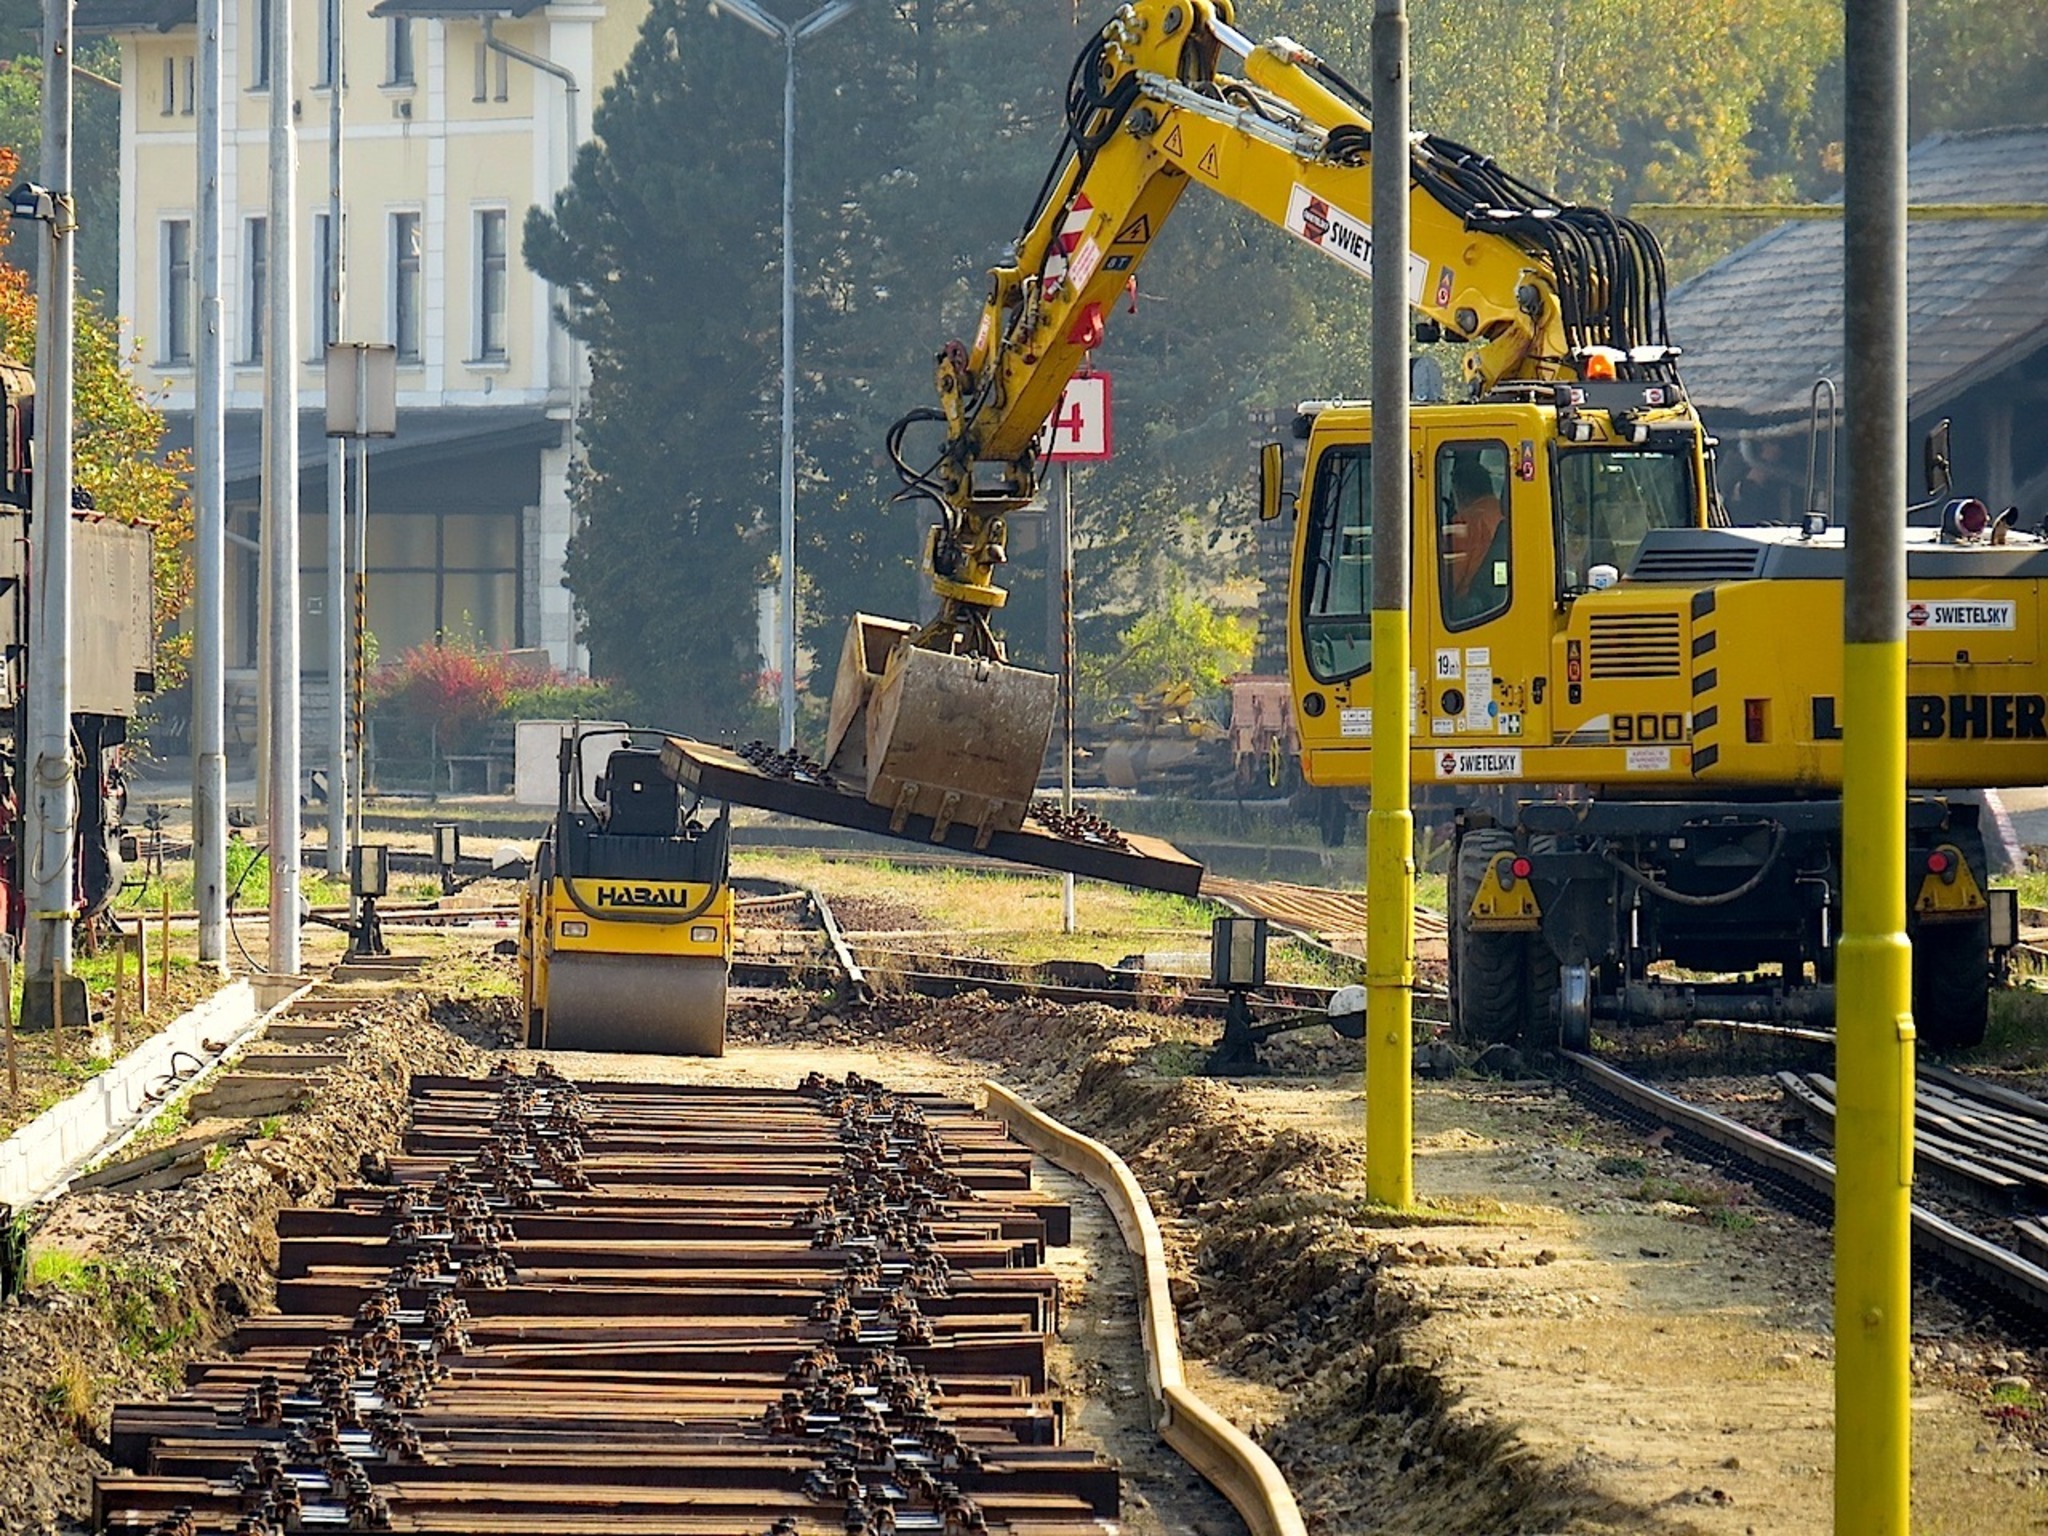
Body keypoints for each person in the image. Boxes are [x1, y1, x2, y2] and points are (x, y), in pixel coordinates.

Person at [1443, 455, 1507, 620]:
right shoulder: (1504, 515)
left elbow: (1448, 582)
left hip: (1468, 611)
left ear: (1461, 492)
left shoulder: (1463, 523)